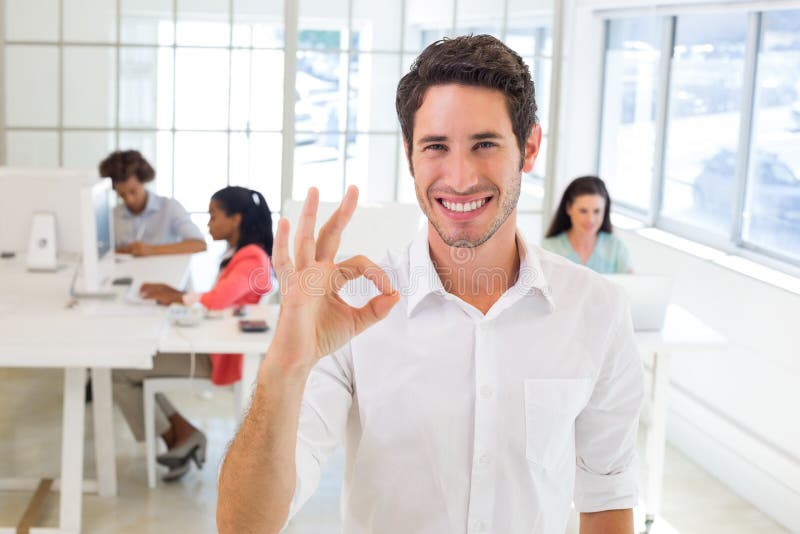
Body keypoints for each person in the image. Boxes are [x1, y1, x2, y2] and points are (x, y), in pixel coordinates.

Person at [218, 35, 643, 533]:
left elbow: (607, 502)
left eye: (484, 144)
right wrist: (286, 365)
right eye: (436, 146)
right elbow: (243, 525)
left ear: (528, 147)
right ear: (409, 155)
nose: (460, 178)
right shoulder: (351, 310)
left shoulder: (598, 309)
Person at [112, 186, 273, 481]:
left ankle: (179, 437)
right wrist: (174, 293)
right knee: (128, 366)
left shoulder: (252, 259)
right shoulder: (244, 255)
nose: (208, 224)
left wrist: (175, 298)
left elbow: (216, 301)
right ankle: (182, 436)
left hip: (219, 358)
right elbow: (219, 298)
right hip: (214, 347)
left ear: (236, 219)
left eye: (213, 216)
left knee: (120, 371)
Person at [98, 150, 207, 257]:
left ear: (143, 181)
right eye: (122, 194)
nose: (129, 200)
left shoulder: (169, 207)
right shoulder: (112, 216)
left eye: (133, 191)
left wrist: (151, 250)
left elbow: (199, 244)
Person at [542, 175, 633, 273]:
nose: (590, 219)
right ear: (569, 208)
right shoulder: (550, 248)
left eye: (597, 211)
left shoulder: (616, 248)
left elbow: (631, 285)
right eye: (583, 211)